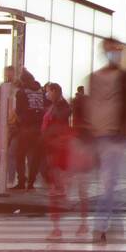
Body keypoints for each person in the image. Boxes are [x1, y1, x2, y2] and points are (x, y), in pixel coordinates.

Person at [87, 37, 126, 241]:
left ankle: (100, 225)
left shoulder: (125, 78)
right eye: (110, 49)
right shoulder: (94, 77)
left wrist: (125, 132)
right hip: (99, 135)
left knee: (108, 182)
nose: (113, 53)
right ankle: (117, 222)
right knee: (109, 181)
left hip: (114, 136)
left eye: (116, 50)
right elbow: (90, 106)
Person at [41, 83, 90, 238]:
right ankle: (80, 225)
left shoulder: (61, 110)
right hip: (64, 153)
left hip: (62, 154)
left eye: (48, 91)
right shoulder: (56, 109)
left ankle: (58, 228)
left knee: (57, 193)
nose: (46, 94)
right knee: (77, 191)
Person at [13, 69, 47, 190]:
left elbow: (19, 111)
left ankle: (21, 181)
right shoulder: (41, 91)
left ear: (23, 81)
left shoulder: (21, 93)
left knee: (20, 155)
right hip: (40, 128)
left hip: (26, 128)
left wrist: (20, 124)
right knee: (36, 156)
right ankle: (31, 183)